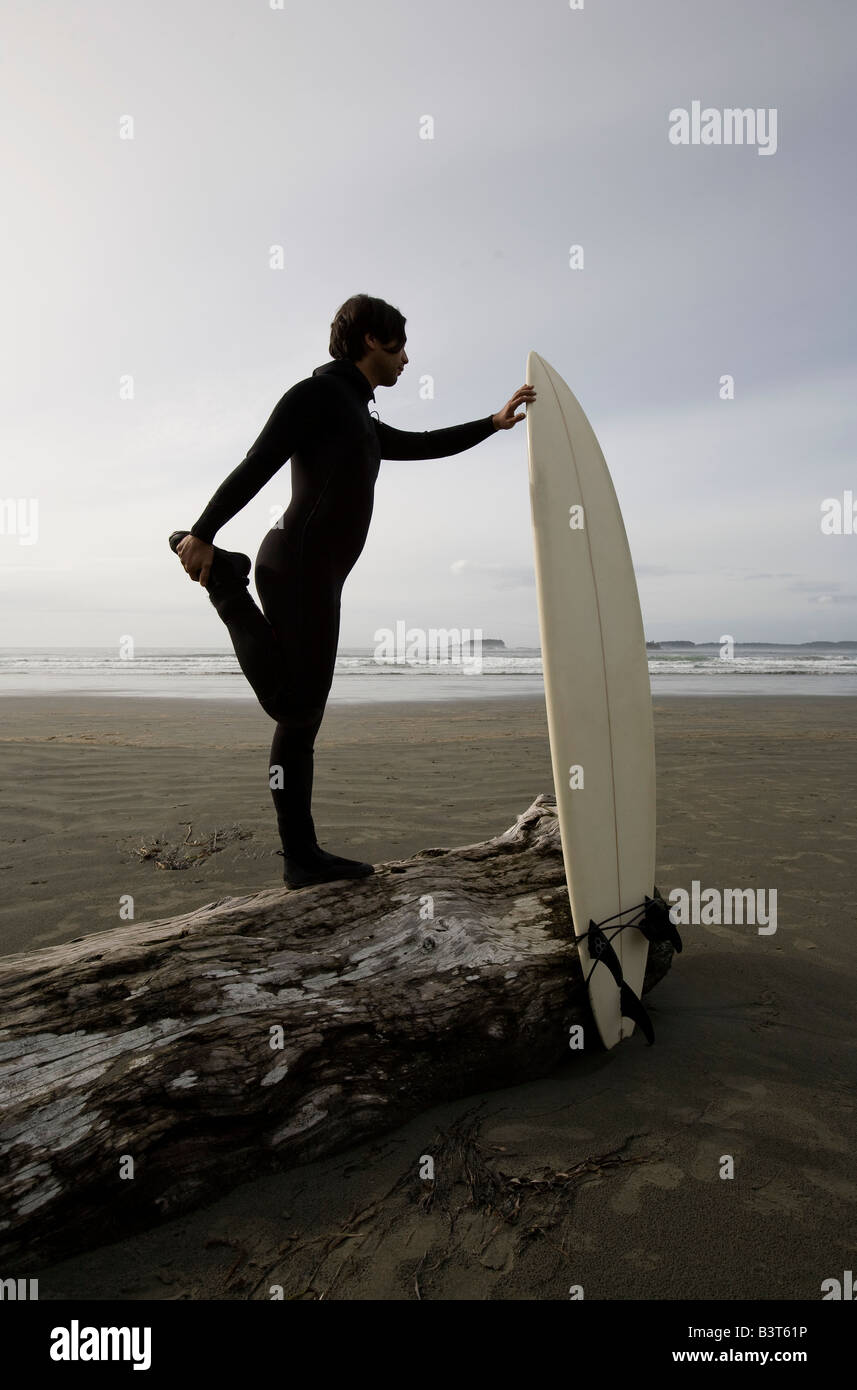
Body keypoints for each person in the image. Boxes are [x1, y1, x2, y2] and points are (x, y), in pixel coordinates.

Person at [170, 294, 536, 888]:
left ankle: (301, 857)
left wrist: (491, 425)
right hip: (294, 566)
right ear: (372, 339)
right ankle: (226, 586)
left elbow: (420, 444)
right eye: (400, 346)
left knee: (300, 722)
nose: (407, 360)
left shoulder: (359, 414)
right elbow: (256, 462)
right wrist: (202, 534)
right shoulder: (315, 396)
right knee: (295, 709)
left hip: (322, 577)